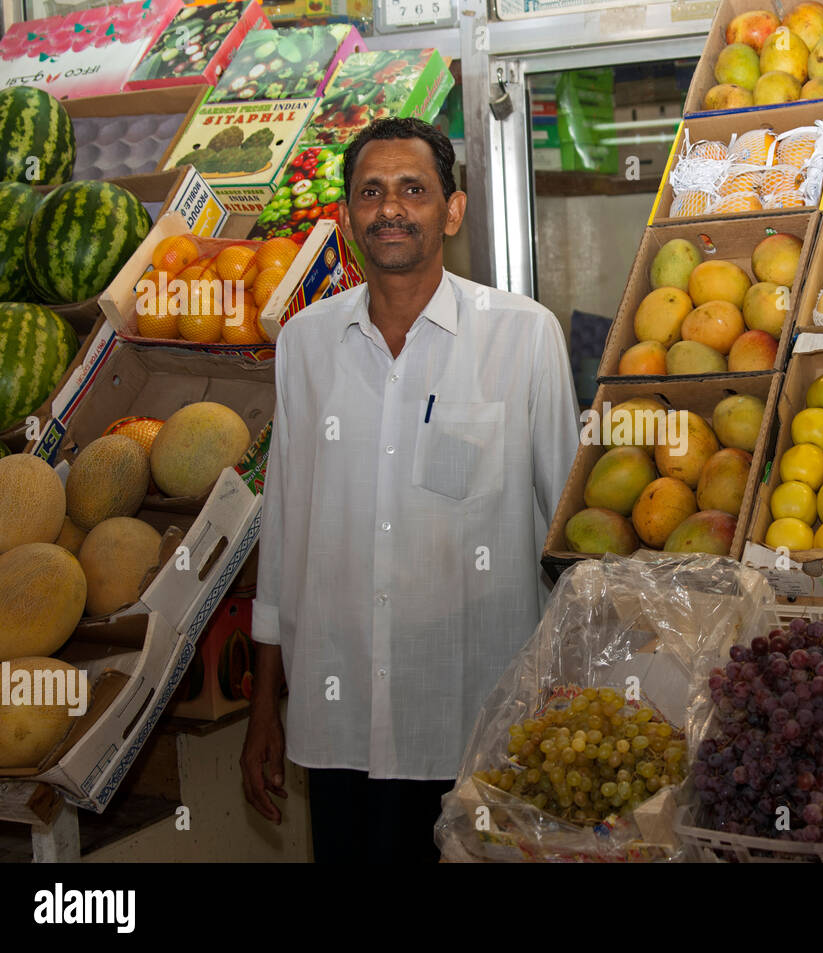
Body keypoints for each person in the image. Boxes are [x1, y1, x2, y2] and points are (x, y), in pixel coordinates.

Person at [240, 117, 580, 862]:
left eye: (414, 190)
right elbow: (286, 532)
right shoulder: (304, 345)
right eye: (371, 192)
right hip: (342, 724)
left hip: (478, 722)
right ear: (346, 217)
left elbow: (567, 535)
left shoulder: (523, 337)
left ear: (451, 210)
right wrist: (265, 707)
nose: (390, 208)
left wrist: (573, 697)